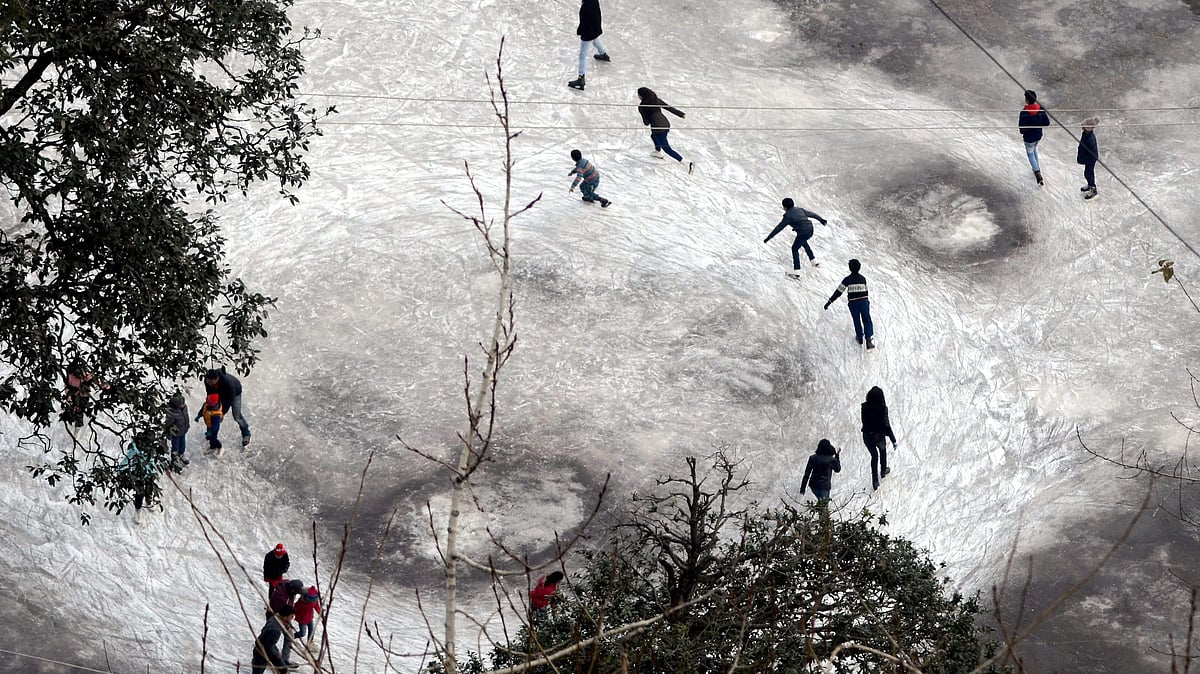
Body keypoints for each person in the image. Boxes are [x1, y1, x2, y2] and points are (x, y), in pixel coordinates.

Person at [764, 198, 828, 276]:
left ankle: (797, 272)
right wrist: (821, 220)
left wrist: (769, 237)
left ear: (785, 207)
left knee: (794, 249)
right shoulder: (799, 209)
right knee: (804, 242)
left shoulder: (787, 216)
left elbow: (779, 228)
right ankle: (814, 261)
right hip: (810, 229)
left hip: (803, 232)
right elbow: (812, 214)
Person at [636, 87, 692, 174]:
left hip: (658, 128)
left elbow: (646, 123)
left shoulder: (642, 106)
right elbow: (668, 107)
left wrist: (646, 116)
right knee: (653, 136)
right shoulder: (656, 100)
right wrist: (681, 114)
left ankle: (686, 163)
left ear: (641, 96)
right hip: (665, 124)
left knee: (667, 148)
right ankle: (658, 152)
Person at [823, 258, 874, 349]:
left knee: (856, 320)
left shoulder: (847, 279)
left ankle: (860, 338)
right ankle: (868, 339)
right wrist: (867, 302)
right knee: (867, 319)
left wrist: (829, 302)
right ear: (859, 267)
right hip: (864, 302)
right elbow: (866, 292)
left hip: (853, 303)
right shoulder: (863, 279)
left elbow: (838, 292)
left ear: (850, 268)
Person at [861, 386, 899, 490]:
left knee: (874, 456)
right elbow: (887, 426)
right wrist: (893, 440)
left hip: (867, 436)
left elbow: (864, 422)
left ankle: (875, 481)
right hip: (879, 437)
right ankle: (883, 470)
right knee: (882, 451)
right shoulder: (883, 409)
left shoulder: (864, 407)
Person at [567, 0, 610, 90]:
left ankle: (581, 79)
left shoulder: (586, 7)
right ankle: (603, 54)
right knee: (595, 40)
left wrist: (581, 32)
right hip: (595, 29)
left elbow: (584, 22)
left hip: (588, 33)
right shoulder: (594, 2)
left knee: (582, 56)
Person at [204, 367, 251, 447]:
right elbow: (209, 392)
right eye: (208, 382)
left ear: (217, 379)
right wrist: (210, 402)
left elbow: (229, 400)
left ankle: (246, 434)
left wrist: (222, 413)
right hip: (218, 392)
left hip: (234, 393)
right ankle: (210, 434)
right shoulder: (207, 381)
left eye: (211, 382)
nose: (210, 384)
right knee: (212, 413)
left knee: (237, 416)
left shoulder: (229, 384)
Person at [119, 437, 159, 525]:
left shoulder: (151, 447)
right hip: (138, 474)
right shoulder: (134, 449)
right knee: (139, 493)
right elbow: (126, 459)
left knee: (150, 488)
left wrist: (154, 470)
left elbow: (155, 458)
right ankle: (138, 509)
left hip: (150, 473)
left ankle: (149, 500)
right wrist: (121, 470)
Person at [269, 578, 305, 665]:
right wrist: (286, 623)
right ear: (293, 590)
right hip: (277, 617)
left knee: (290, 636)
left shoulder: (288, 585)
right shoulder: (281, 597)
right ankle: (273, 658)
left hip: (285, 616)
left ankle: (285, 660)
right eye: (296, 593)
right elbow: (278, 612)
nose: (296, 595)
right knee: (272, 638)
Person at [1018, 89, 1050, 186]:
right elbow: (1047, 123)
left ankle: (1037, 172)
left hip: (1029, 138)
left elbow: (1022, 129)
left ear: (1027, 100)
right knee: (1034, 148)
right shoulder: (1040, 109)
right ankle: (1037, 167)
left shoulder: (1024, 112)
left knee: (1030, 153)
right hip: (1038, 136)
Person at [250, 605, 294, 674]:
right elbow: (268, 647)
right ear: (285, 617)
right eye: (291, 616)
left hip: (265, 646)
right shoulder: (275, 630)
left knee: (283, 669)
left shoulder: (275, 617)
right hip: (262, 651)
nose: (292, 618)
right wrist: (276, 654)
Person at [1077, 117, 1100, 200]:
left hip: (1090, 159)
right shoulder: (1085, 134)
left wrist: (1083, 158)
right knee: (1088, 172)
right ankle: (1090, 185)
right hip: (1088, 158)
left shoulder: (1090, 139)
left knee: (1088, 173)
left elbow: (1089, 151)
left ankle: (1093, 188)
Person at [166, 392, 190, 471]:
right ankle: (174, 458)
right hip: (176, 433)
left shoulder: (184, 408)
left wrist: (187, 425)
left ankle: (181, 454)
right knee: (175, 445)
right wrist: (169, 432)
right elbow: (168, 423)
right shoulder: (172, 413)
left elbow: (186, 416)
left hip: (183, 430)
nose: (183, 405)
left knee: (183, 444)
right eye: (181, 404)